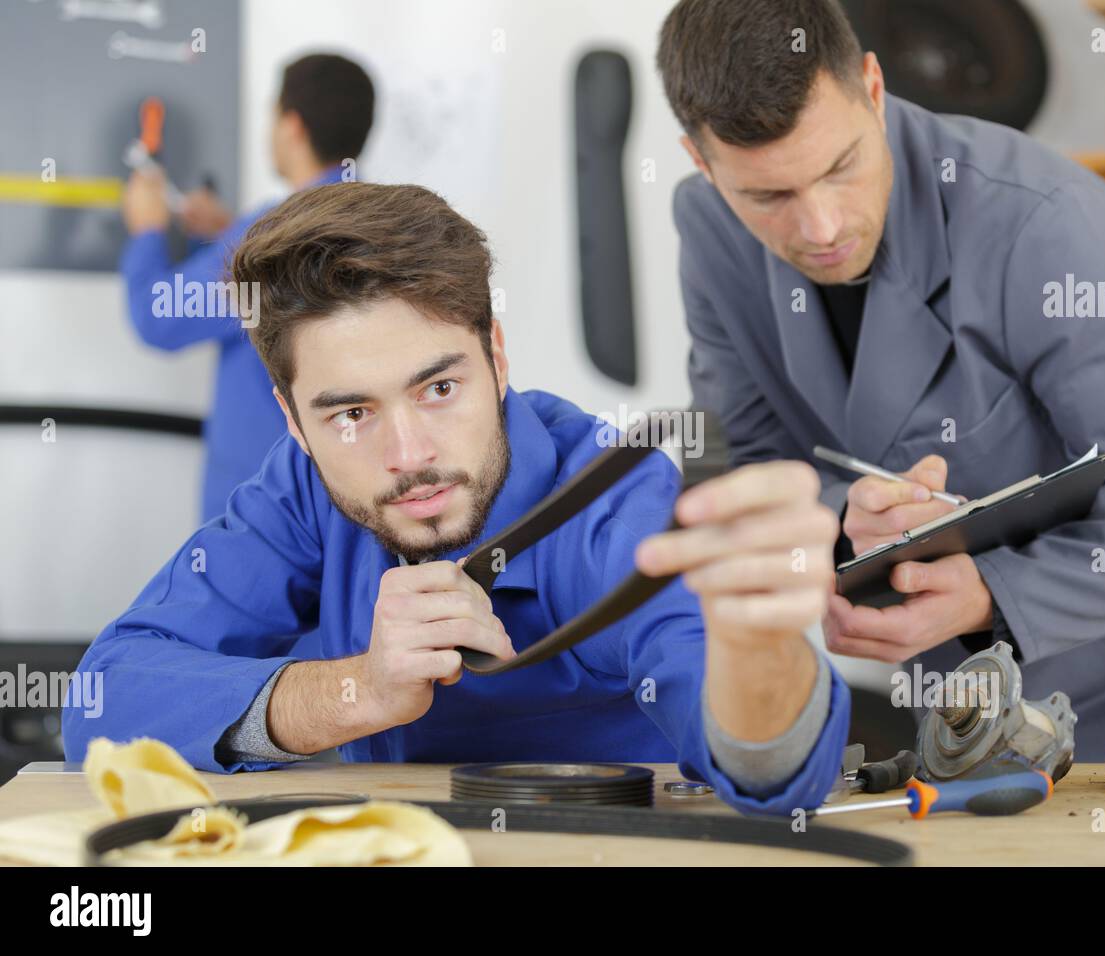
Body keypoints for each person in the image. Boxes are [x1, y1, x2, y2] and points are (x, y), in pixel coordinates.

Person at [63, 183, 850, 816]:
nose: (410, 457)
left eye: (440, 387)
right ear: (293, 424)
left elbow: (777, 775)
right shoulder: (302, 489)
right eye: (351, 413)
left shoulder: (611, 502)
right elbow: (101, 702)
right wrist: (352, 694)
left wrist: (763, 653)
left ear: (497, 358)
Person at [655, 0, 1105, 755]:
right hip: (984, 715)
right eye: (768, 197)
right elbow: (742, 472)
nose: (822, 229)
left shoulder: (1046, 223)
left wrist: (993, 591)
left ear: (873, 87)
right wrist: (841, 522)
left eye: (840, 167)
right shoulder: (708, 229)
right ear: (701, 160)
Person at [120, 53, 375, 519]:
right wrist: (229, 233)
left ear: (292, 126)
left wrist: (147, 230)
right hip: (346, 501)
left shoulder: (269, 238)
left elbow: (156, 318)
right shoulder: (376, 221)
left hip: (266, 517)